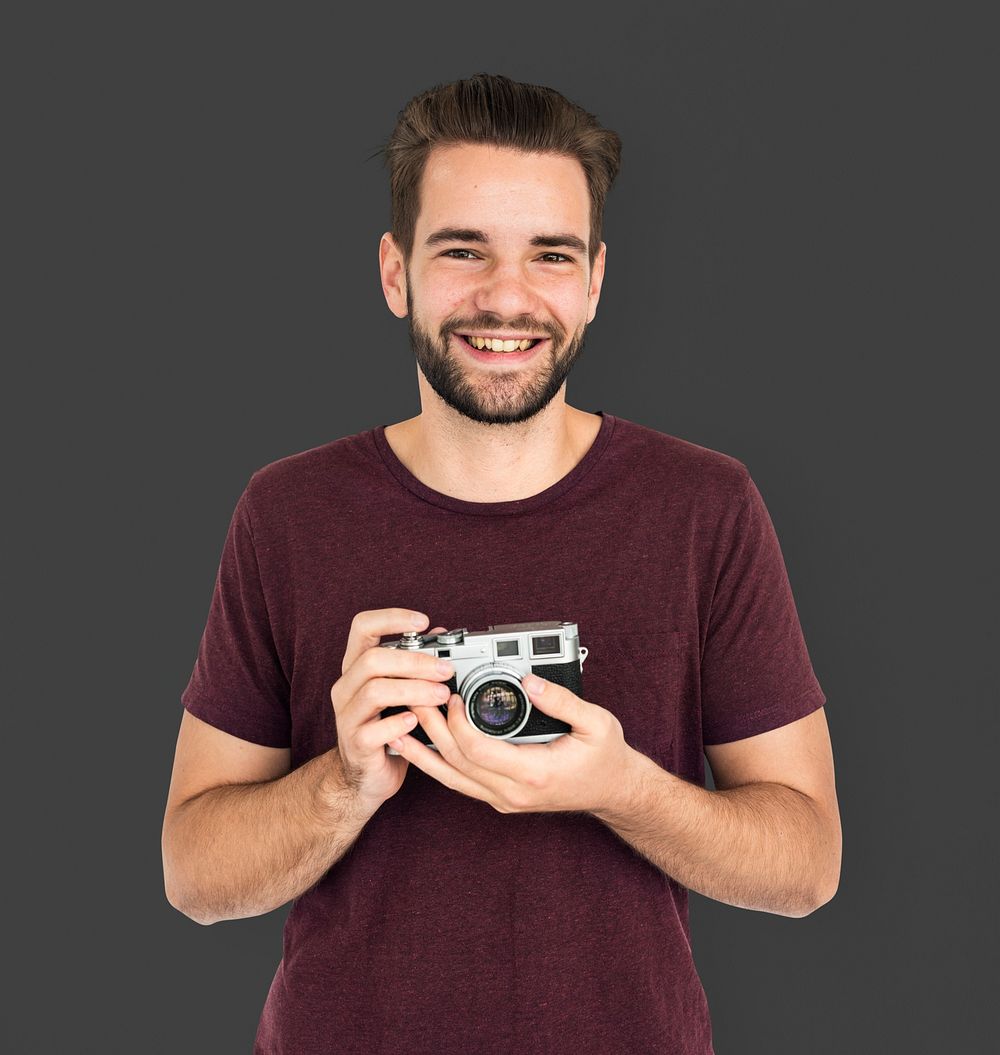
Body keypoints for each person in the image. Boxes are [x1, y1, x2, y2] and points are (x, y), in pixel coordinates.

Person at [162, 73, 841, 1055]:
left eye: (549, 255)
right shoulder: (289, 511)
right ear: (395, 272)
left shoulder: (703, 507)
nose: (507, 297)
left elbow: (808, 864)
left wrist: (622, 786)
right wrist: (344, 781)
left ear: (595, 281)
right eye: (462, 250)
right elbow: (192, 875)